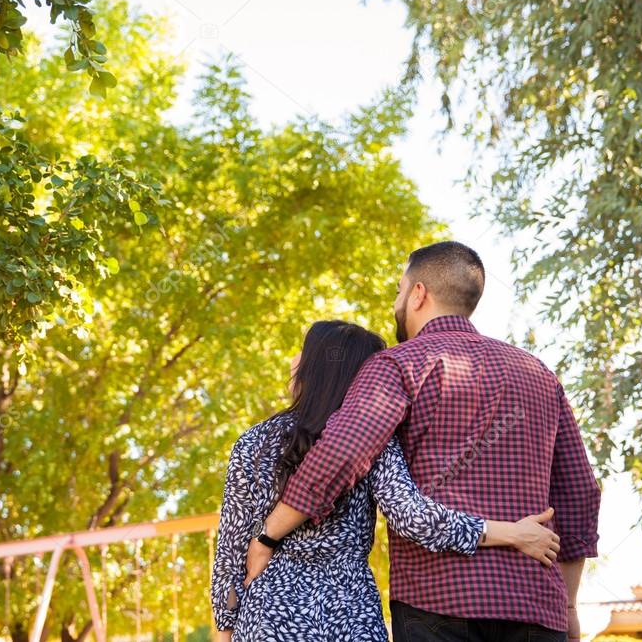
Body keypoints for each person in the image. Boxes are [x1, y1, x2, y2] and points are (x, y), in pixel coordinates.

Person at [245, 241, 601, 642]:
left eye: (399, 290)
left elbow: (343, 452)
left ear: (418, 294)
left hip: (438, 602)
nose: (396, 302)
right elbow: (579, 494)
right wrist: (568, 605)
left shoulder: (397, 364)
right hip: (535, 604)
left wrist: (267, 535)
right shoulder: (537, 373)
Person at [213, 319, 562, 641]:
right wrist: (510, 533)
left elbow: (230, 554)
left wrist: (224, 633)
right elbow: (411, 516)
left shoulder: (254, 443)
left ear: (316, 368)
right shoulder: (375, 440)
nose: (294, 360)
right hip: (352, 617)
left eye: (303, 351)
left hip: (270, 617)